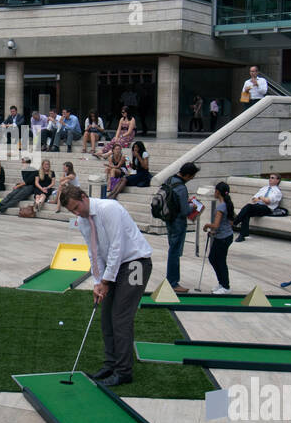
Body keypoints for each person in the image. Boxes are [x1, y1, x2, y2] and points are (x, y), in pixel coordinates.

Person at [60, 185, 153, 388]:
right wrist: (97, 282)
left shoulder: (108, 208)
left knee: (121, 317)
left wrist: (106, 280)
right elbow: (94, 252)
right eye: (72, 211)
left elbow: (116, 247)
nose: (76, 213)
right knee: (107, 316)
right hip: (116, 266)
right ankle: (111, 364)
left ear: (84, 197)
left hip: (136, 263)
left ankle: (123, 371)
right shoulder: (83, 221)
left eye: (77, 207)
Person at [163, 162, 200, 294]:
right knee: (174, 252)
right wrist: (193, 207)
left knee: (172, 249)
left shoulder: (170, 179)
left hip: (169, 219)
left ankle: (172, 280)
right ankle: (173, 282)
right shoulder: (181, 188)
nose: (191, 179)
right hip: (178, 223)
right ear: (188, 175)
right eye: (192, 176)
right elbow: (185, 211)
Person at [202, 181, 236, 294]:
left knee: (219, 260)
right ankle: (222, 283)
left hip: (223, 238)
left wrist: (207, 226)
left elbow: (216, 225)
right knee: (213, 258)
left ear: (217, 192)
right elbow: (230, 222)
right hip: (224, 235)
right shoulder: (227, 204)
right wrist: (214, 232)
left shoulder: (221, 207)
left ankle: (225, 286)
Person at [233, 172, 283, 242]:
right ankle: (242, 235)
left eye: (272, 178)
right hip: (258, 206)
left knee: (248, 206)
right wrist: (262, 198)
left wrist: (260, 198)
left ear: (277, 180)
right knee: (246, 213)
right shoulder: (264, 188)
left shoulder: (277, 192)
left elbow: (268, 201)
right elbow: (254, 199)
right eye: (269, 178)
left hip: (267, 208)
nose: (270, 179)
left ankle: (234, 222)